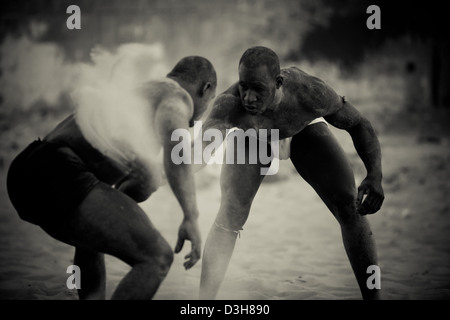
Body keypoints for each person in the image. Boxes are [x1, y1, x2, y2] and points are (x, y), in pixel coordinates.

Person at [6, 55, 217, 300]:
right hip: (59, 170)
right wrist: (190, 216)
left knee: (94, 238)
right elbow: (176, 147)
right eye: (209, 104)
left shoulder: (142, 94)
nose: (196, 121)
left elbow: (129, 189)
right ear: (206, 89)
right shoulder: (176, 95)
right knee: (157, 257)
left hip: (26, 171)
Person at [198, 46, 384, 300]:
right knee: (230, 215)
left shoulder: (308, 92)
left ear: (278, 83)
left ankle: (374, 298)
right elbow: (198, 155)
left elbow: (359, 124)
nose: (249, 97)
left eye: (258, 89)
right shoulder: (229, 106)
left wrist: (375, 174)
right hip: (253, 137)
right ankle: (203, 303)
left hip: (301, 128)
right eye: (244, 86)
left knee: (348, 204)